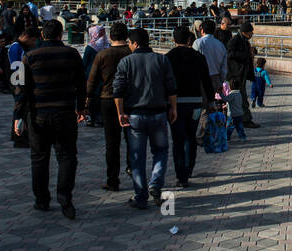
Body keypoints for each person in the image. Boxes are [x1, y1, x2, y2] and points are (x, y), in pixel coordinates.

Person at [15, 20, 86, 219]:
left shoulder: (29, 57)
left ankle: (41, 199)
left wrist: (18, 116)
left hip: (38, 114)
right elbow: (82, 83)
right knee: (67, 156)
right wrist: (81, 107)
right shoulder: (72, 54)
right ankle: (64, 197)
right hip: (64, 113)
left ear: (42, 35)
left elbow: (21, 89)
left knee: (39, 158)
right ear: (60, 34)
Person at [113, 28, 179, 210]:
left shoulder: (125, 62)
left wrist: (120, 112)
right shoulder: (162, 59)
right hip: (158, 113)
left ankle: (140, 196)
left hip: (135, 115)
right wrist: (173, 108)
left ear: (134, 44)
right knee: (161, 150)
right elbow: (171, 87)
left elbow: (117, 90)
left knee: (137, 157)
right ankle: (155, 184)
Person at [166, 25, 214, 188]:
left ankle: (181, 175)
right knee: (190, 136)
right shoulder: (198, 57)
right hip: (194, 102)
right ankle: (189, 167)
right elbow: (206, 81)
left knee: (177, 139)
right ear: (189, 40)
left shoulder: (168, 57)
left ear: (173, 40)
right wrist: (212, 101)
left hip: (175, 104)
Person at [86, 22, 132, 190]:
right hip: (129, 100)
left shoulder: (103, 55)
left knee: (112, 142)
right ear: (127, 36)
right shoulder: (131, 52)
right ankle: (132, 169)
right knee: (131, 138)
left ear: (111, 37)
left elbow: (92, 80)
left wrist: (87, 100)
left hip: (107, 98)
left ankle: (113, 179)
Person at [193, 18, 228, 95]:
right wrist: (220, 81)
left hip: (202, 78)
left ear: (202, 30)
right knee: (213, 103)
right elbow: (224, 67)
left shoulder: (198, 43)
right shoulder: (220, 45)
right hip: (216, 77)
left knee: (203, 103)